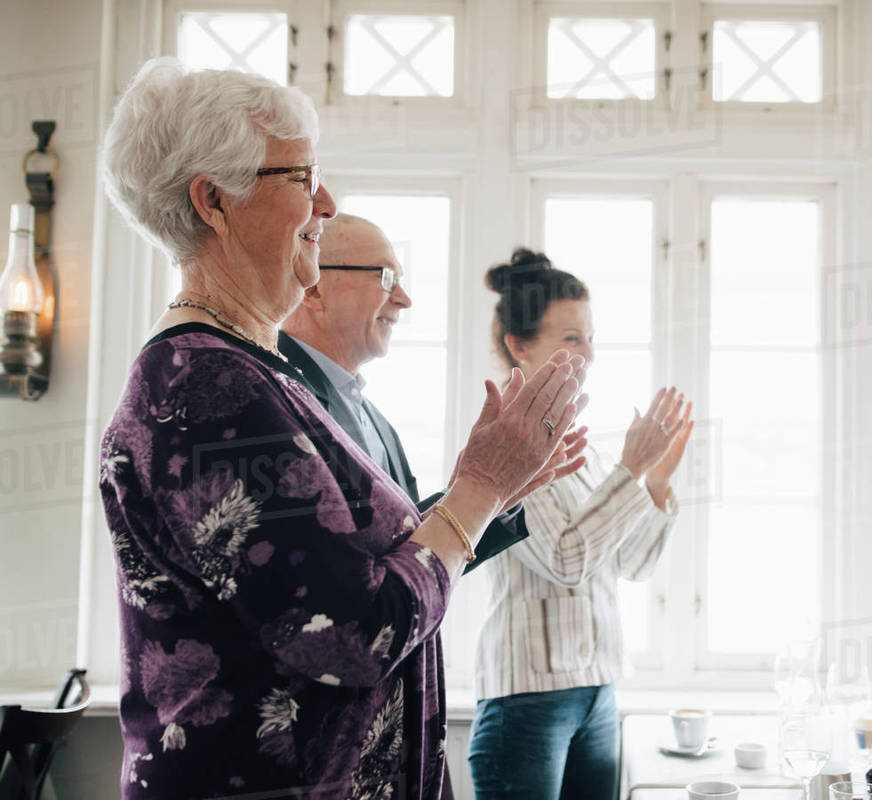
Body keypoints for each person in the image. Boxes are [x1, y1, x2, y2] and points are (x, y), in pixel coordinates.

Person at [98, 58, 586, 800]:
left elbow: (356, 567)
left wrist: (492, 488)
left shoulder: (252, 373)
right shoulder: (206, 386)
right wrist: (480, 487)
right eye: (301, 177)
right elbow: (354, 632)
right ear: (212, 201)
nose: (325, 201)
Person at [468, 249, 694, 800]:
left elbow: (630, 565)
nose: (589, 353)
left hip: (598, 690)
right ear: (518, 346)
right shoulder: (503, 448)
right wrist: (631, 468)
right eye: (572, 338)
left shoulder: (584, 449)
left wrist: (655, 484)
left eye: (590, 337)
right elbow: (567, 561)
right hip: (527, 700)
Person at [279, 214, 529, 570]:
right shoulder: (275, 395)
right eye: (386, 277)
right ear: (314, 287)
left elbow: (408, 553)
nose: (404, 299)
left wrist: (496, 491)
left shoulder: (376, 421)